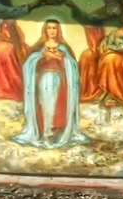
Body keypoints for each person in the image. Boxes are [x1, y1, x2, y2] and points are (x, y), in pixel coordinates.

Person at [13, 20, 87, 149]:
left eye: (54, 28)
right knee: (45, 107)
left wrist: (62, 59)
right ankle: (44, 133)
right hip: (43, 81)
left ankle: (56, 134)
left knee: (57, 107)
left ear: (58, 30)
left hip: (60, 82)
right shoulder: (38, 47)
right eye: (49, 28)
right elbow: (29, 64)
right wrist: (41, 57)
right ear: (45, 30)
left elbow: (73, 66)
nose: (52, 31)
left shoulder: (64, 47)